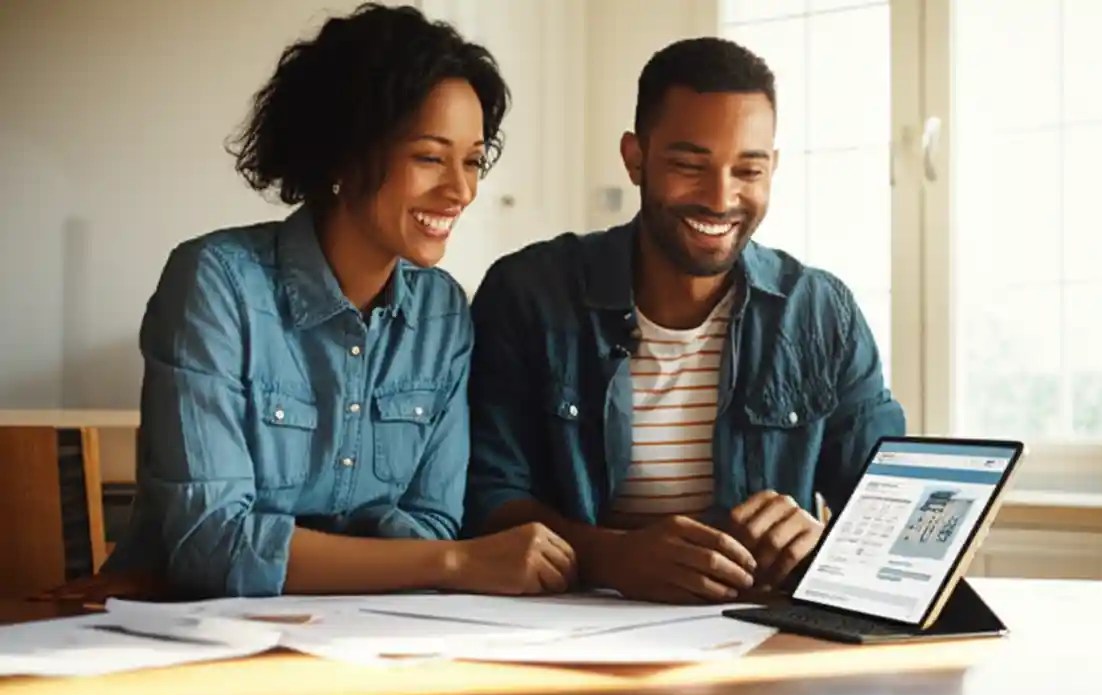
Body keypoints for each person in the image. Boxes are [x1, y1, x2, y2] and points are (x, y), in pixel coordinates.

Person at [91, 3, 576, 599]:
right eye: (430, 157)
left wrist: (424, 554)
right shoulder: (215, 284)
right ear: (345, 153)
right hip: (173, 639)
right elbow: (210, 544)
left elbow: (433, 523)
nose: (461, 190)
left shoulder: (443, 315)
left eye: (472, 160)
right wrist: (450, 563)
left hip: (366, 639)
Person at [467, 37, 906, 604]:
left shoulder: (822, 313)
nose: (720, 198)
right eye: (689, 166)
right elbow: (486, 493)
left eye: (748, 170)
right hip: (570, 628)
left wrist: (824, 547)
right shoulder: (529, 293)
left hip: (759, 637)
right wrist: (612, 557)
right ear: (635, 158)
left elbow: (892, 509)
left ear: (771, 168)